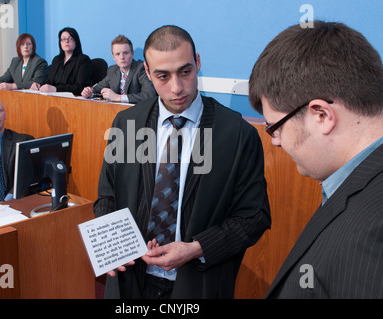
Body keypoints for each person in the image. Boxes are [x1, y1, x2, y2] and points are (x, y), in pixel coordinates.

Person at [93, 25, 271, 299]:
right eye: (163, 76)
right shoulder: (126, 124)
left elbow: (254, 217)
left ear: (198, 63)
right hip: (131, 283)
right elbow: (107, 195)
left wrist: (197, 247)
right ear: (148, 74)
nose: (177, 88)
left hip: (199, 283)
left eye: (185, 72)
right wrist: (112, 246)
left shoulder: (236, 134)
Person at [248, 21, 383, 298]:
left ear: (321, 115)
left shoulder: (372, 235)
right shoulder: (360, 185)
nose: (276, 140)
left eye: (275, 127)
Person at [81, 35, 156, 104]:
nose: (122, 57)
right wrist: (89, 92)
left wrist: (118, 97)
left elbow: (149, 96)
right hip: (117, 112)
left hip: (136, 115)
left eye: (125, 53)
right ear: (113, 57)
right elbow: (97, 88)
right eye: (117, 54)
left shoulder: (141, 68)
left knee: (129, 119)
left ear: (132, 54)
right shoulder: (112, 70)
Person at [32, 27, 92, 95]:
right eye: (63, 39)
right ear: (60, 43)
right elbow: (50, 81)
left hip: (74, 99)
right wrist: (40, 85)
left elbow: (80, 87)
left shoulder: (83, 60)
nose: (66, 41)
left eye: (70, 38)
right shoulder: (56, 60)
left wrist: (56, 89)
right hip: (55, 97)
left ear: (76, 41)